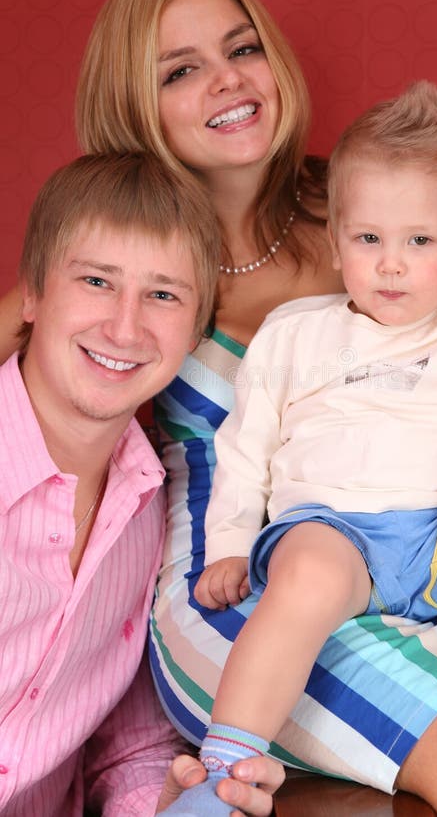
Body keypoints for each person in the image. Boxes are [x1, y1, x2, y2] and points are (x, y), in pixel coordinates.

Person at [0, 0, 437, 815]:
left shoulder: (369, 208)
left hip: (423, 547)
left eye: (241, 49)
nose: (226, 82)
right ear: (136, 100)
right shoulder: (131, 262)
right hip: (242, 585)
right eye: (181, 69)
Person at [171, 80, 437, 816]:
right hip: (338, 538)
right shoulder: (298, 332)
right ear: (337, 240)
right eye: (368, 239)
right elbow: (246, 446)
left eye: (420, 242)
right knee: (303, 580)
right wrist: (232, 546)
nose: (391, 264)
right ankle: (229, 770)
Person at [0, 150, 284, 817]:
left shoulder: (154, 511)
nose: (125, 328)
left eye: (162, 295)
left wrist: (173, 799)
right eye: (97, 281)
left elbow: (125, 748)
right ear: (33, 294)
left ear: (194, 330)